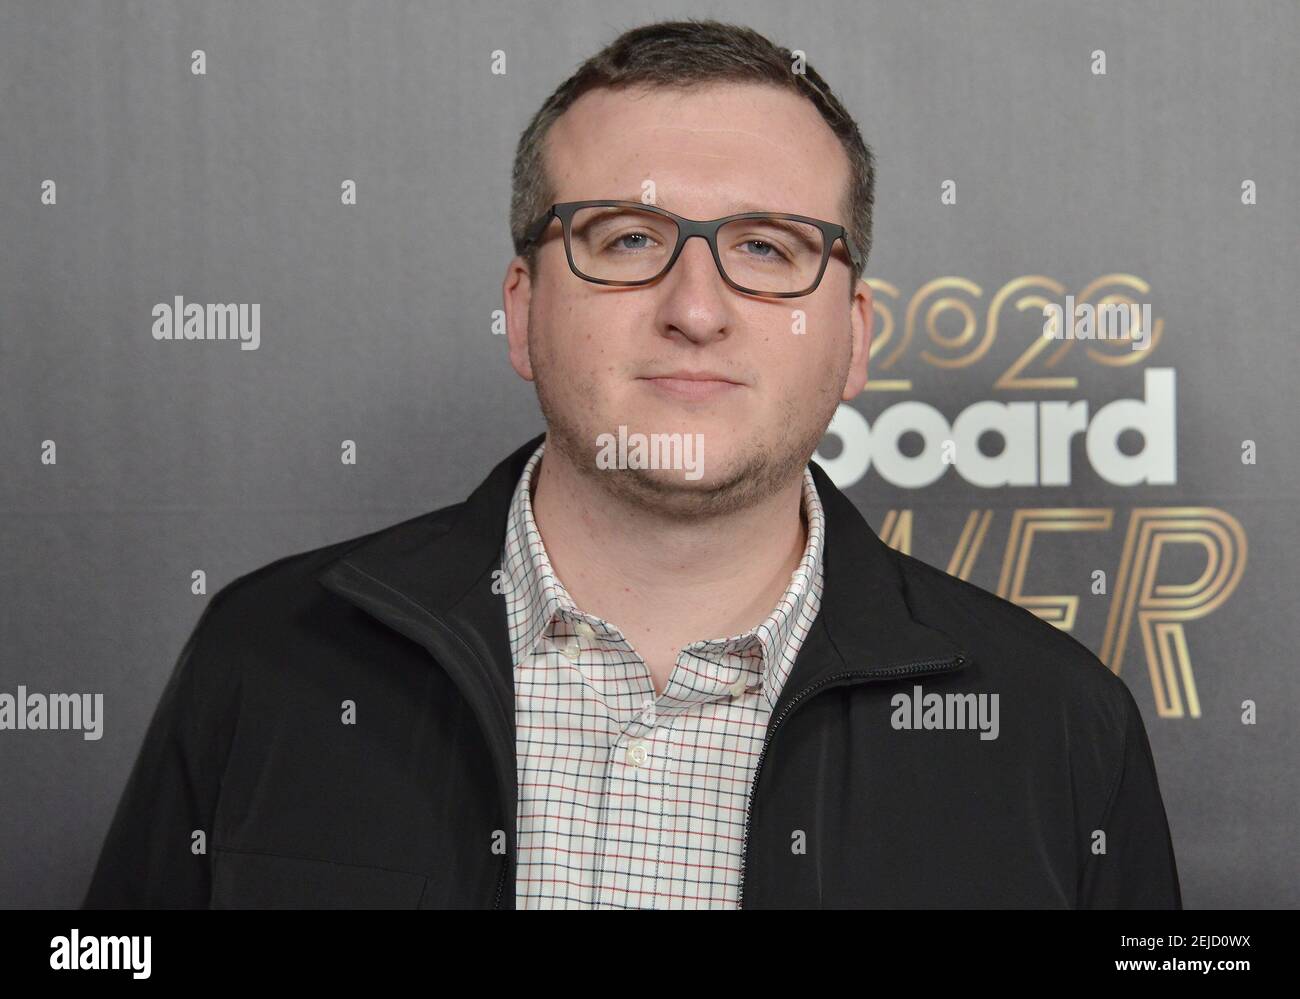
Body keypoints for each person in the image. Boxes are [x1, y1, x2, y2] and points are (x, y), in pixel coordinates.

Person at [83, 18, 1180, 909]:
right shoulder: (271, 657)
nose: (695, 309)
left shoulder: (1058, 729)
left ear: (854, 335)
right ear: (522, 313)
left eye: (766, 248)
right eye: (622, 239)